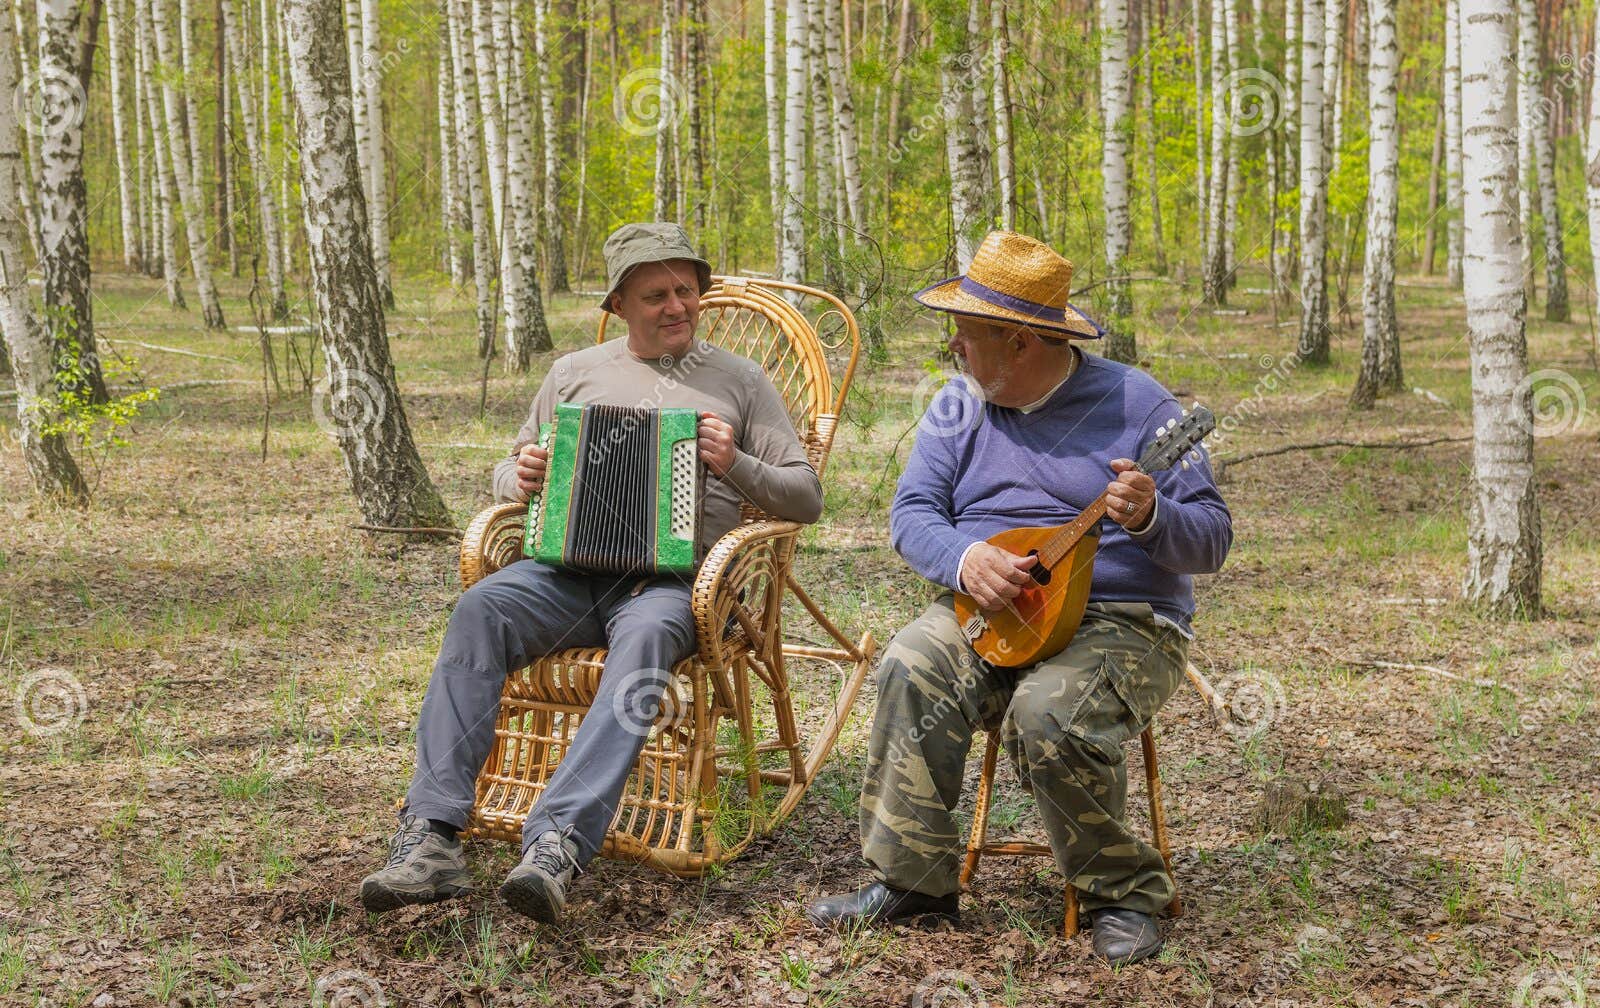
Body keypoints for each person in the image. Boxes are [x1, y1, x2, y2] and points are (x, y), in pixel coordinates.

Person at [361, 223, 823, 924]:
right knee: (480, 609)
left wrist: (736, 463)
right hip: (565, 576)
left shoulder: (740, 380)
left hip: (676, 587)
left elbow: (806, 498)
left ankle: (556, 842)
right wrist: (518, 474)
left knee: (645, 638)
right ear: (618, 305)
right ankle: (430, 835)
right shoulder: (574, 372)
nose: (677, 306)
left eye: (686, 291)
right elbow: (511, 468)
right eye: (656, 296)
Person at [806, 231, 1232, 965]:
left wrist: (1151, 516)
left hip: (1122, 620)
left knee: (1049, 710)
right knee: (910, 663)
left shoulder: (1140, 404)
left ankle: (1122, 893)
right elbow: (912, 514)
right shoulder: (958, 406)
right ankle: (912, 882)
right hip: (992, 609)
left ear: (1021, 343)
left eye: (965, 335)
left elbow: (1213, 538)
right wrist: (966, 559)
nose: (952, 348)